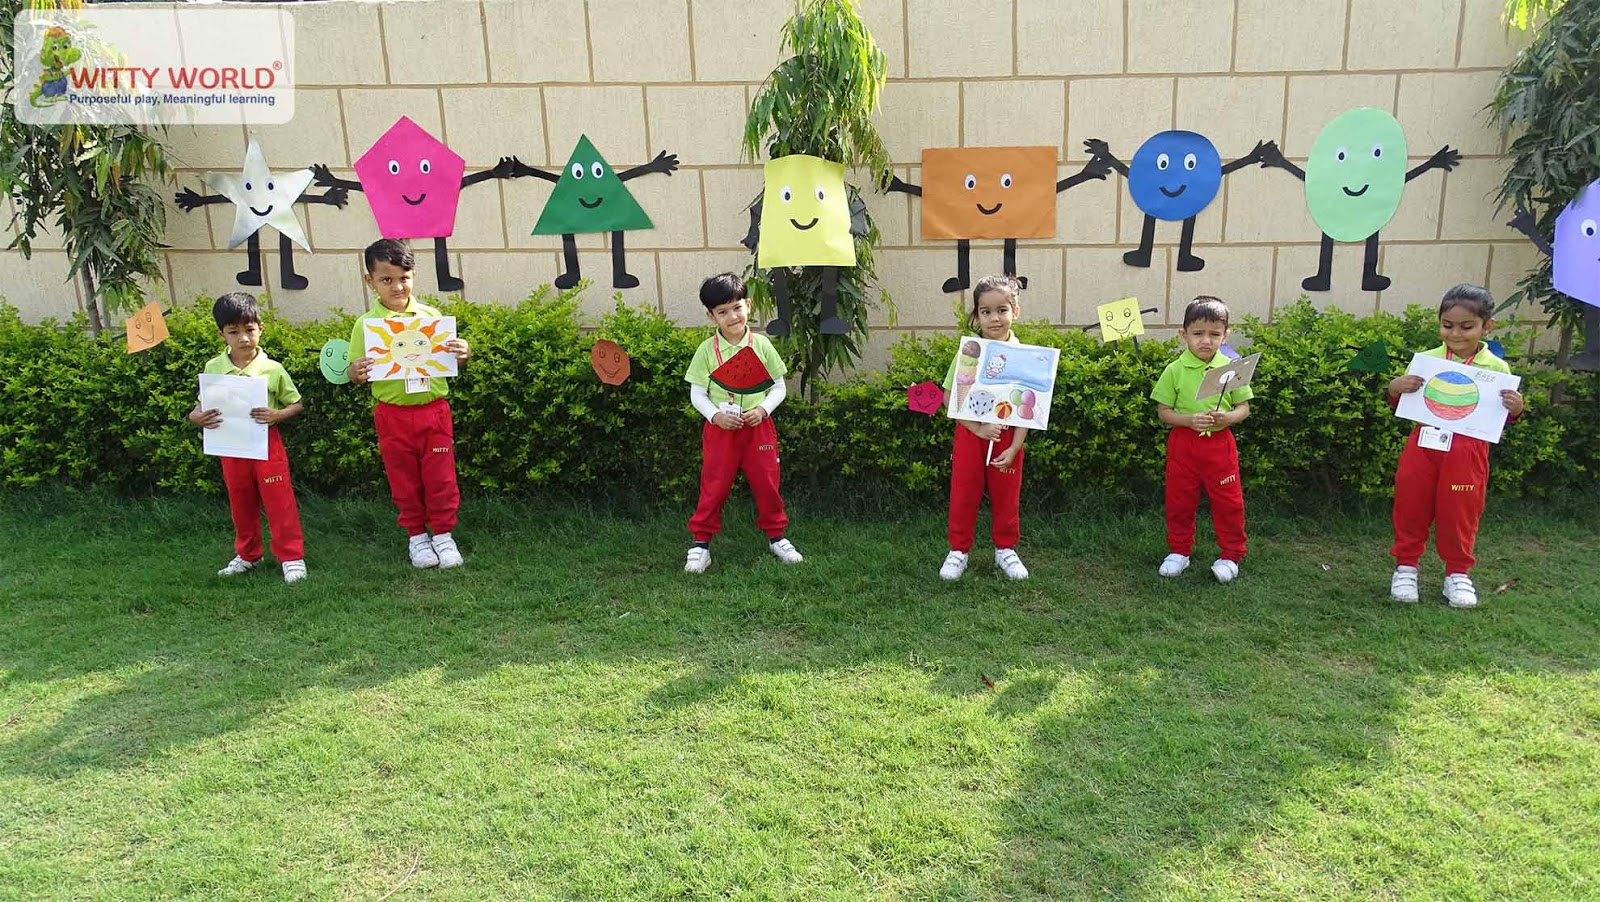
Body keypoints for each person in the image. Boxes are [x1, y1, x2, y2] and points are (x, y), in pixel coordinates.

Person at [1386, 284, 1525, 608]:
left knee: (1460, 512)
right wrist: (1395, 388)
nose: (1456, 334)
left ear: (1486, 327)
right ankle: (1406, 567)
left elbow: (1500, 418)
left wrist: (1516, 408)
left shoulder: (1496, 369)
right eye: (1447, 325)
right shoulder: (1427, 361)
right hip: (1423, 446)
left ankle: (1457, 573)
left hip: (1468, 453)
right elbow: (1402, 403)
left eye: (1467, 326)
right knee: (1411, 505)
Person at [347, 239, 471, 569]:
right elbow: (354, 371)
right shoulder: (366, 326)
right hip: (392, 414)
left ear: (413, 276)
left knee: (441, 477)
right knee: (403, 478)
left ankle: (443, 535)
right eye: (387, 279)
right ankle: (417, 537)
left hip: (434, 411)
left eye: (404, 277)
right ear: (369, 281)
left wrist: (462, 355)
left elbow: (450, 365)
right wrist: (355, 372)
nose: (397, 286)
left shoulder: (431, 319)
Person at [683, 273, 801, 573]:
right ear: (711, 317)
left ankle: (777, 537)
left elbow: (779, 387)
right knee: (714, 485)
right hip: (721, 431)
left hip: (758, 427)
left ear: (748, 305)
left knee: (767, 482)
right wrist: (715, 416)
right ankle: (700, 544)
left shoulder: (760, 345)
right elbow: (697, 394)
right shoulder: (707, 351)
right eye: (722, 312)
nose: (732, 316)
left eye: (736, 307)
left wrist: (762, 409)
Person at [188, 292, 308, 584]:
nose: (243, 338)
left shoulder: (272, 369)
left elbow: (297, 403)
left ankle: (292, 556)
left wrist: (277, 415)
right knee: (240, 501)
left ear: (260, 328)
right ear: (221, 334)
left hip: (267, 445)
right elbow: (200, 406)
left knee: (279, 500)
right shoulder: (214, 368)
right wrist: (196, 417)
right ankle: (248, 554)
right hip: (231, 446)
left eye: (249, 330)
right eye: (234, 332)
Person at [1152, 296, 1252, 583]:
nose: (1205, 341)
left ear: (1226, 335)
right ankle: (1179, 551)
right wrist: (1189, 420)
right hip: (1183, 445)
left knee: (1229, 501)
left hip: (1220, 447)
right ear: (1183, 334)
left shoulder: (1233, 368)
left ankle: (1232, 554)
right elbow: (1164, 412)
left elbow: (1243, 408)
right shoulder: (1174, 370)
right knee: (1179, 499)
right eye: (1198, 334)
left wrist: (1228, 418)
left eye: (1214, 334)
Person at [940, 275, 1031, 581]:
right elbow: (949, 399)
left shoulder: (1024, 356)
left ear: (1014, 312)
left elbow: (1028, 408)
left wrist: (1015, 445)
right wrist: (977, 429)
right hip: (971, 434)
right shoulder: (969, 353)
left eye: (1002, 310)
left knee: (1007, 495)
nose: (995, 318)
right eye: (986, 311)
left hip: (1008, 437)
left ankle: (1005, 549)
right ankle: (958, 550)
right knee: (964, 492)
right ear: (976, 316)